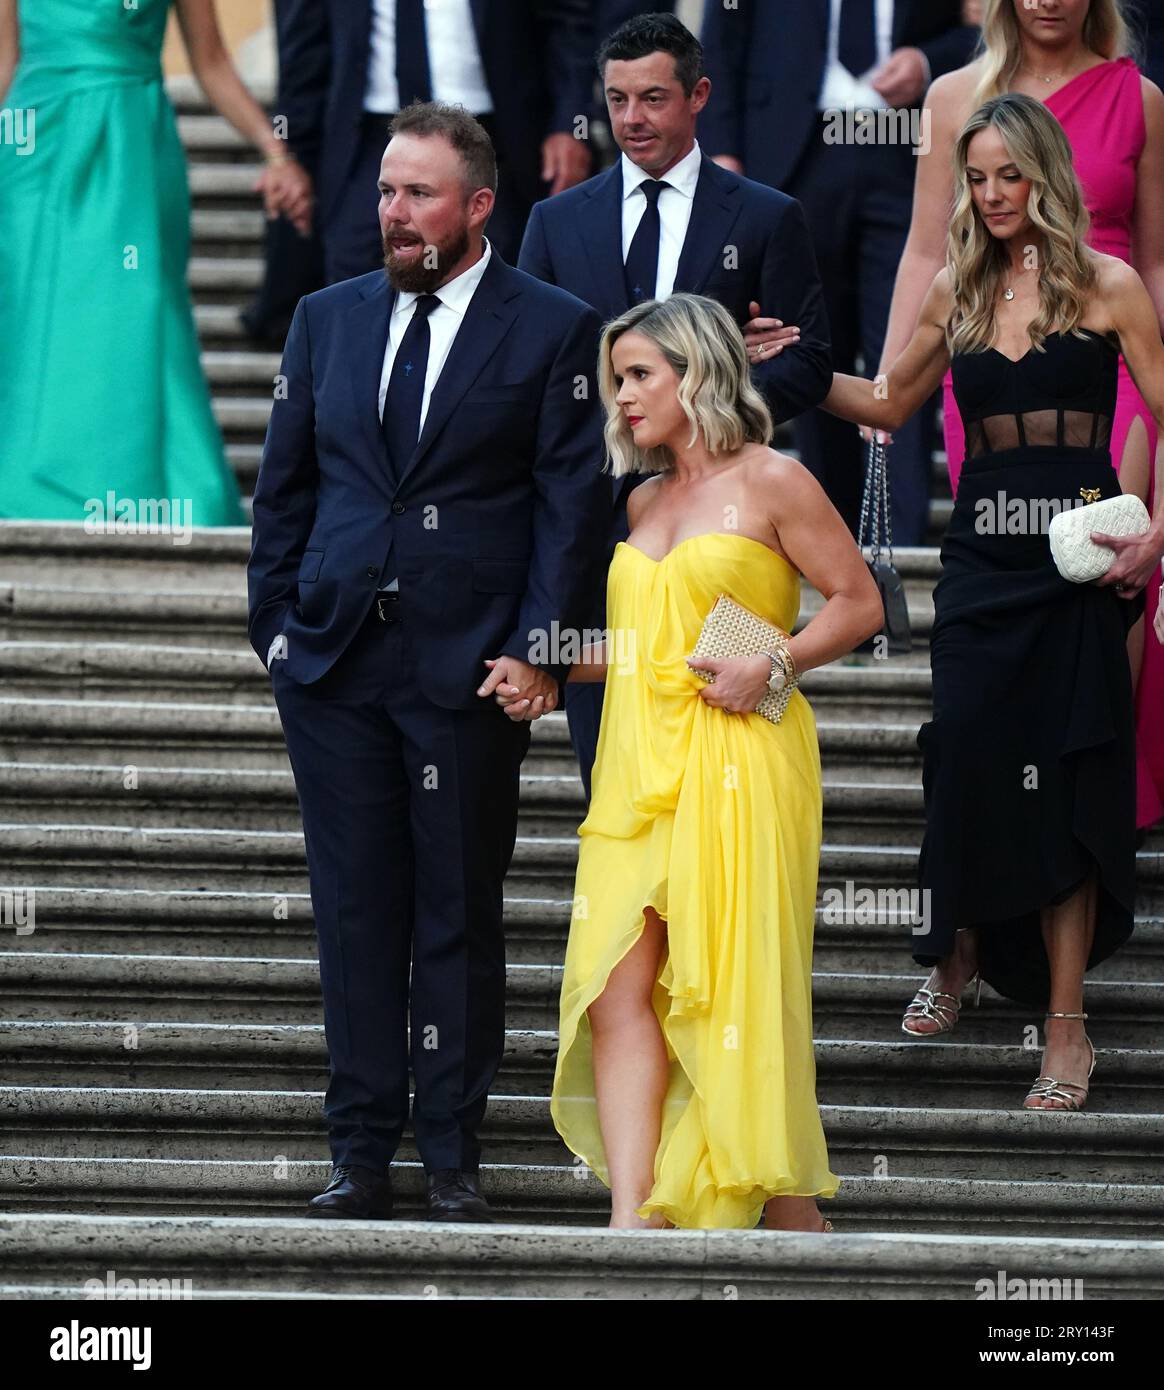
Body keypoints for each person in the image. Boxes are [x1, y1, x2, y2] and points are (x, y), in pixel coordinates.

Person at [247, 102, 610, 1222]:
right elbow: (286, 484)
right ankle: (359, 1148)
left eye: (418, 195)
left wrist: (538, 648)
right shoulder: (324, 316)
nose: (393, 214)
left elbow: (569, 508)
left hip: (468, 674)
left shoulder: (552, 326)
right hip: (337, 664)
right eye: (387, 192)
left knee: (457, 912)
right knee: (356, 911)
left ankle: (453, 1149)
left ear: (479, 206)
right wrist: (274, 628)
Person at [822, 93, 1164, 1111]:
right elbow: (886, 403)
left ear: (1046, 175)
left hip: (1077, 559)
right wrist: (793, 366)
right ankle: (957, 948)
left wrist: (1157, 533)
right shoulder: (956, 287)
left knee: (1066, 779)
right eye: (976, 178)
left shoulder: (1109, 285)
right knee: (967, 753)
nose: (992, 195)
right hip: (981, 562)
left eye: (1009, 175)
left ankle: (1066, 1028)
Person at [552, 293, 884, 1231]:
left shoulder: (774, 479)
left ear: (697, 373)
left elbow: (858, 603)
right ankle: (632, 1218)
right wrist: (540, 668)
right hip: (636, 769)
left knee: (731, 981)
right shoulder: (644, 498)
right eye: (617, 379)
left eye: (639, 375)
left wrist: (773, 659)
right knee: (620, 986)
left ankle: (779, 1213)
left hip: (742, 757)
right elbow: (642, 644)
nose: (621, 396)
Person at [520, 13, 832, 800]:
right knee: (613, 773)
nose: (631, 119)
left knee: (717, 759)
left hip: (716, 523)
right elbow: (524, 368)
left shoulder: (765, 216)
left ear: (698, 95)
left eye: (653, 98)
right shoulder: (555, 222)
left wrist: (708, 411)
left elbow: (812, 361)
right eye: (617, 99)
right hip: (589, 519)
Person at [874, 0, 1164, 831]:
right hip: (991, 360)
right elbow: (928, 249)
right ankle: (1008, 809)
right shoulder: (953, 96)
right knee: (1003, 591)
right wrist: (892, 383)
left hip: (1107, 354)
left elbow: (1153, 256)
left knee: (1108, 578)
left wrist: (1158, 365)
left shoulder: (1138, 96)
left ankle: (1097, 804)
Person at [0, 0, 310, 526]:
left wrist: (275, 152)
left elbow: (210, 63)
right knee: (27, 317)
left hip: (131, 147)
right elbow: (4, 57)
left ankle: (140, 490)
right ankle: (23, 484)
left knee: (133, 312)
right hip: (30, 147)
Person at [700, 0, 981, 545]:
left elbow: (984, 33)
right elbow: (723, 34)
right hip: (793, 153)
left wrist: (926, 63)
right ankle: (825, 540)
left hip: (904, 148)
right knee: (805, 347)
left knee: (907, 346)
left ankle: (898, 544)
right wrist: (724, 151)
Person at [275, 0, 595, 283]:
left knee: (495, 281)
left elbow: (568, 25)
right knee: (354, 281)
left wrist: (572, 126)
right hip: (367, 141)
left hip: (491, 138)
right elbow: (303, 54)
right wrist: (286, 153)